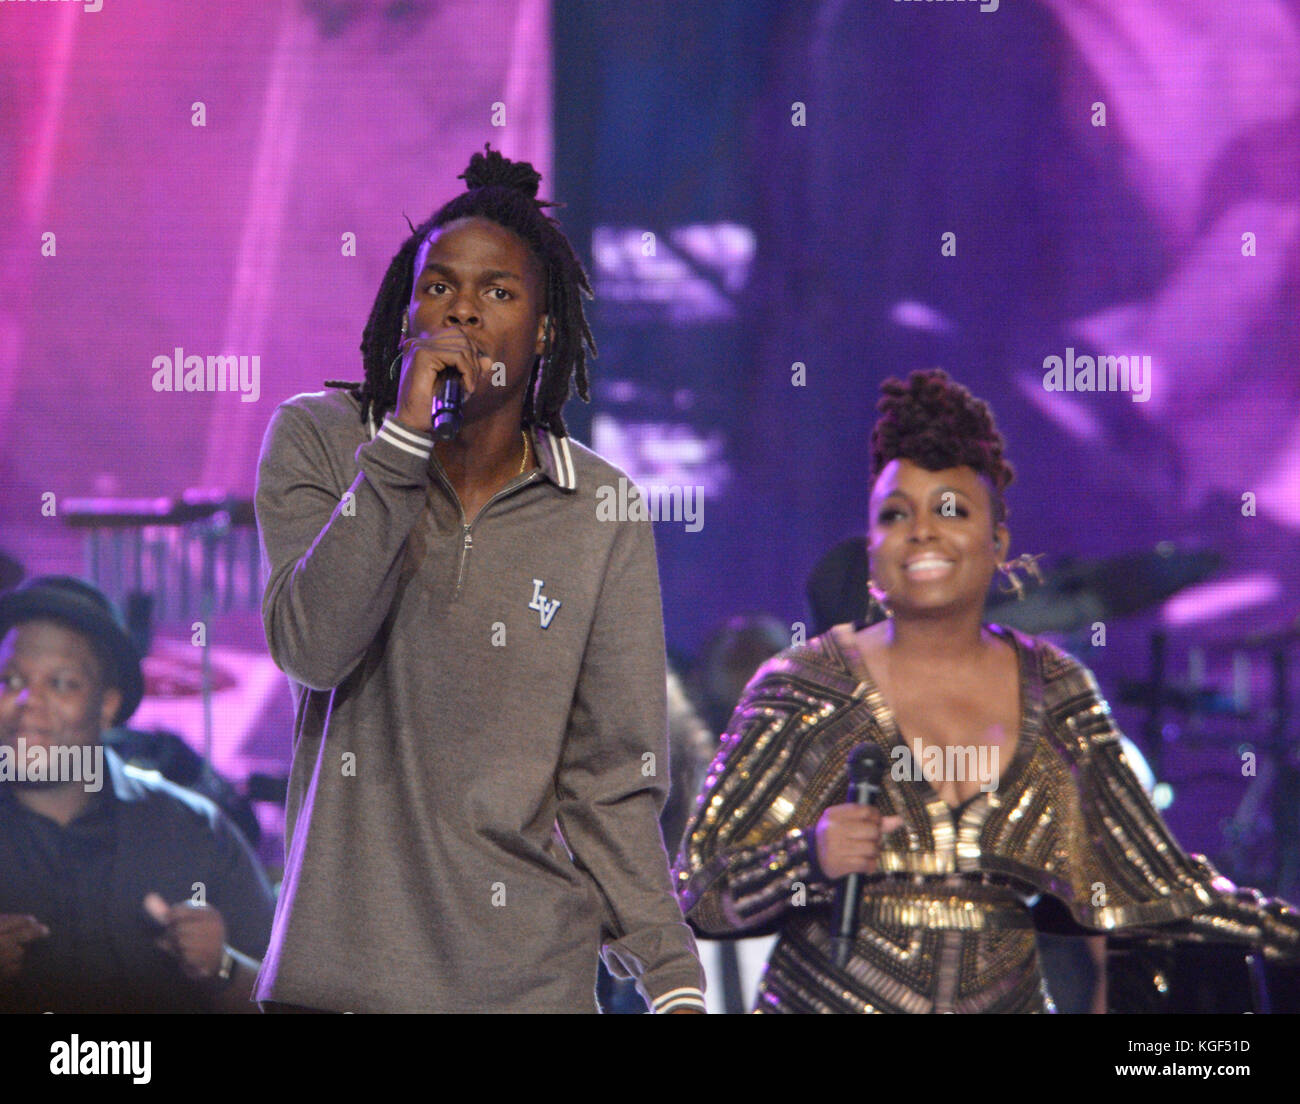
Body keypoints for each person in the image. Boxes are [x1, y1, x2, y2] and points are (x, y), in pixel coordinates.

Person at [673, 369, 1300, 1013]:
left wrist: (1285, 934)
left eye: (950, 510)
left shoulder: (1055, 692)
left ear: (997, 543)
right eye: (896, 514)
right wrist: (807, 858)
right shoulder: (803, 689)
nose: (921, 531)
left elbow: (1157, 886)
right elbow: (699, 891)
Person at [253, 145, 705, 1013]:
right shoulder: (322, 441)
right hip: (339, 979)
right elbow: (313, 646)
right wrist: (401, 449)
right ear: (405, 313)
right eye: (439, 287)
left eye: (498, 292)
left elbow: (611, 775)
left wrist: (673, 977)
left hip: (525, 985)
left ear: (543, 331)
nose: (463, 307)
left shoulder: (598, 508)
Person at [0, 576, 274, 1013]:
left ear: (108, 705)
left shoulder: (195, 829)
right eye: (11, 679)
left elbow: (286, 1001)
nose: (29, 700)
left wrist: (222, 966)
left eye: (63, 683)